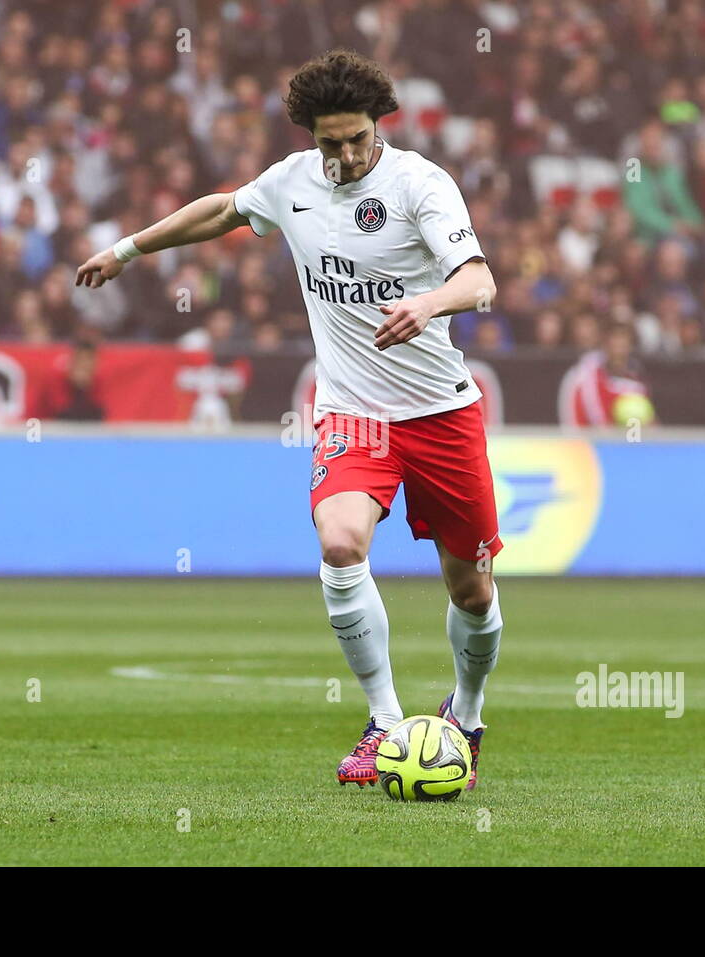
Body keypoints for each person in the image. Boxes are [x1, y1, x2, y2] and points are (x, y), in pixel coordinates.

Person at [76, 50, 503, 790]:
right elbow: (222, 209)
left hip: (441, 413)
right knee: (340, 545)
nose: (343, 155)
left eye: (356, 138)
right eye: (329, 141)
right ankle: (384, 723)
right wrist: (127, 249)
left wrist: (428, 302)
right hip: (352, 411)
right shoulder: (292, 180)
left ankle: (465, 715)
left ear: (379, 126)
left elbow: (480, 277)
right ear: (311, 135)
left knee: (472, 590)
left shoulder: (420, 185)